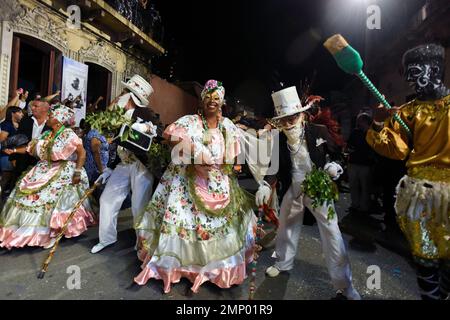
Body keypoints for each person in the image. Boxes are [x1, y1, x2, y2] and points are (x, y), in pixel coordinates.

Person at [133, 80, 256, 293]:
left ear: (222, 102)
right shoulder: (190, 121)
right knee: (184, 222)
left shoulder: (228, 126)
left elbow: (234, 155)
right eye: (208, 96)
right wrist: (194, 154)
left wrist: (222, 164)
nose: (212, 101)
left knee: (216, 226)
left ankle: (214, 268)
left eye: (216, 98)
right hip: (184, 181)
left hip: (216, 182)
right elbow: (171, 137)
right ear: (202, 99)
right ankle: (180, 266)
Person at [256, 86, 360, 300]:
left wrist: (334, 167)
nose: (288, 122)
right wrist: (266, 185)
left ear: (302, 114)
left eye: (292, 117)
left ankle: (345, 285)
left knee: (332, 233)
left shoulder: (318, 131)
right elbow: (273, 168)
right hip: (293, 187)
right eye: (284, 119)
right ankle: (283, 263)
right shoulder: (279, 138)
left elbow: (338, 155)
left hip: (318, 187)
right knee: (286, 225)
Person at [366, 43, 450, 300]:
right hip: (420, 195)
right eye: (407, 74)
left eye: (415, 72)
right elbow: (396, 150)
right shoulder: (407, 112)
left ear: (434, 70)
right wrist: (379, 122)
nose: (410, 80)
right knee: (425, 258)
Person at [0, 105, 95, 249]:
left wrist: (77, 172)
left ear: (59, 120)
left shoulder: (69, 134)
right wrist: (13, 150)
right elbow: (29, 148)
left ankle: (52, 232)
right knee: (25, 196)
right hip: (44, 168)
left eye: (51, 116)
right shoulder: (47, 134)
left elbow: (82, 153)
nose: (49, 117)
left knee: (50, 200)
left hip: (63, 170)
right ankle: (23, 231)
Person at [91, 75, 158, 254]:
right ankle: (106, 238)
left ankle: (142, 244)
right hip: (123, 164)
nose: (119, 95)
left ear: (131, 97)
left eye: (123, 92)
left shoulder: (145, 114)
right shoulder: (118, 117)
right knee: (107, 199)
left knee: (139, 205)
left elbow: (150, 136)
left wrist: (140, 129)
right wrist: (109, 169)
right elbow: (119, 145)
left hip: (141, 167)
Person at [346, 112, 377, 215]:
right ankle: (355, 204)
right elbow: (349, 144)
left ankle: (364, 207)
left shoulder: (372, 133)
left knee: (365, 187)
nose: (358, 122)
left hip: (365, 164)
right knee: (353, 185)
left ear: (365, 121)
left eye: (360, 120)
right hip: (354, 162)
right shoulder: (355, 132)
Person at [0, 107, 24, 197]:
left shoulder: (20, 124)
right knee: (6, 176)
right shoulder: (6, 125)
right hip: (6, 155)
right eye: (20, 112)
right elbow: (2, 140)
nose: (22, 114)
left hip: (17, 154)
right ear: (13, 113)